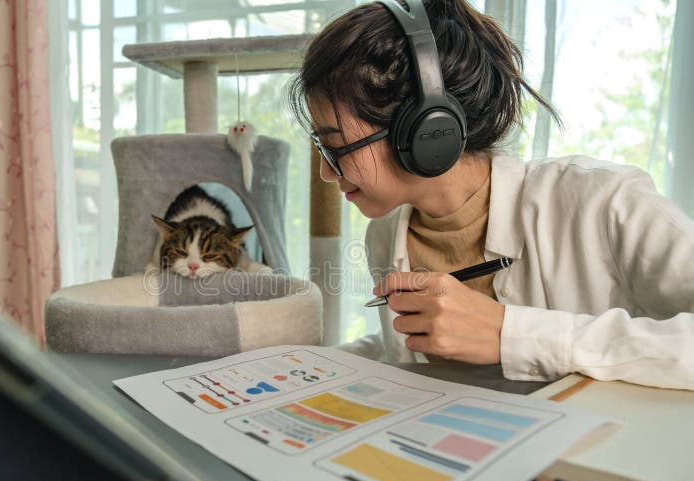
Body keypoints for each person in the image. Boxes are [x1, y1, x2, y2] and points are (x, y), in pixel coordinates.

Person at [287, 0, 694, 390]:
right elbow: (409, 356)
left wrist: (509, 333)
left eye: (336, 146)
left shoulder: (604, 202)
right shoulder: (385, 234)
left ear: (428, 130)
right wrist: (307, 367)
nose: (326, 172)